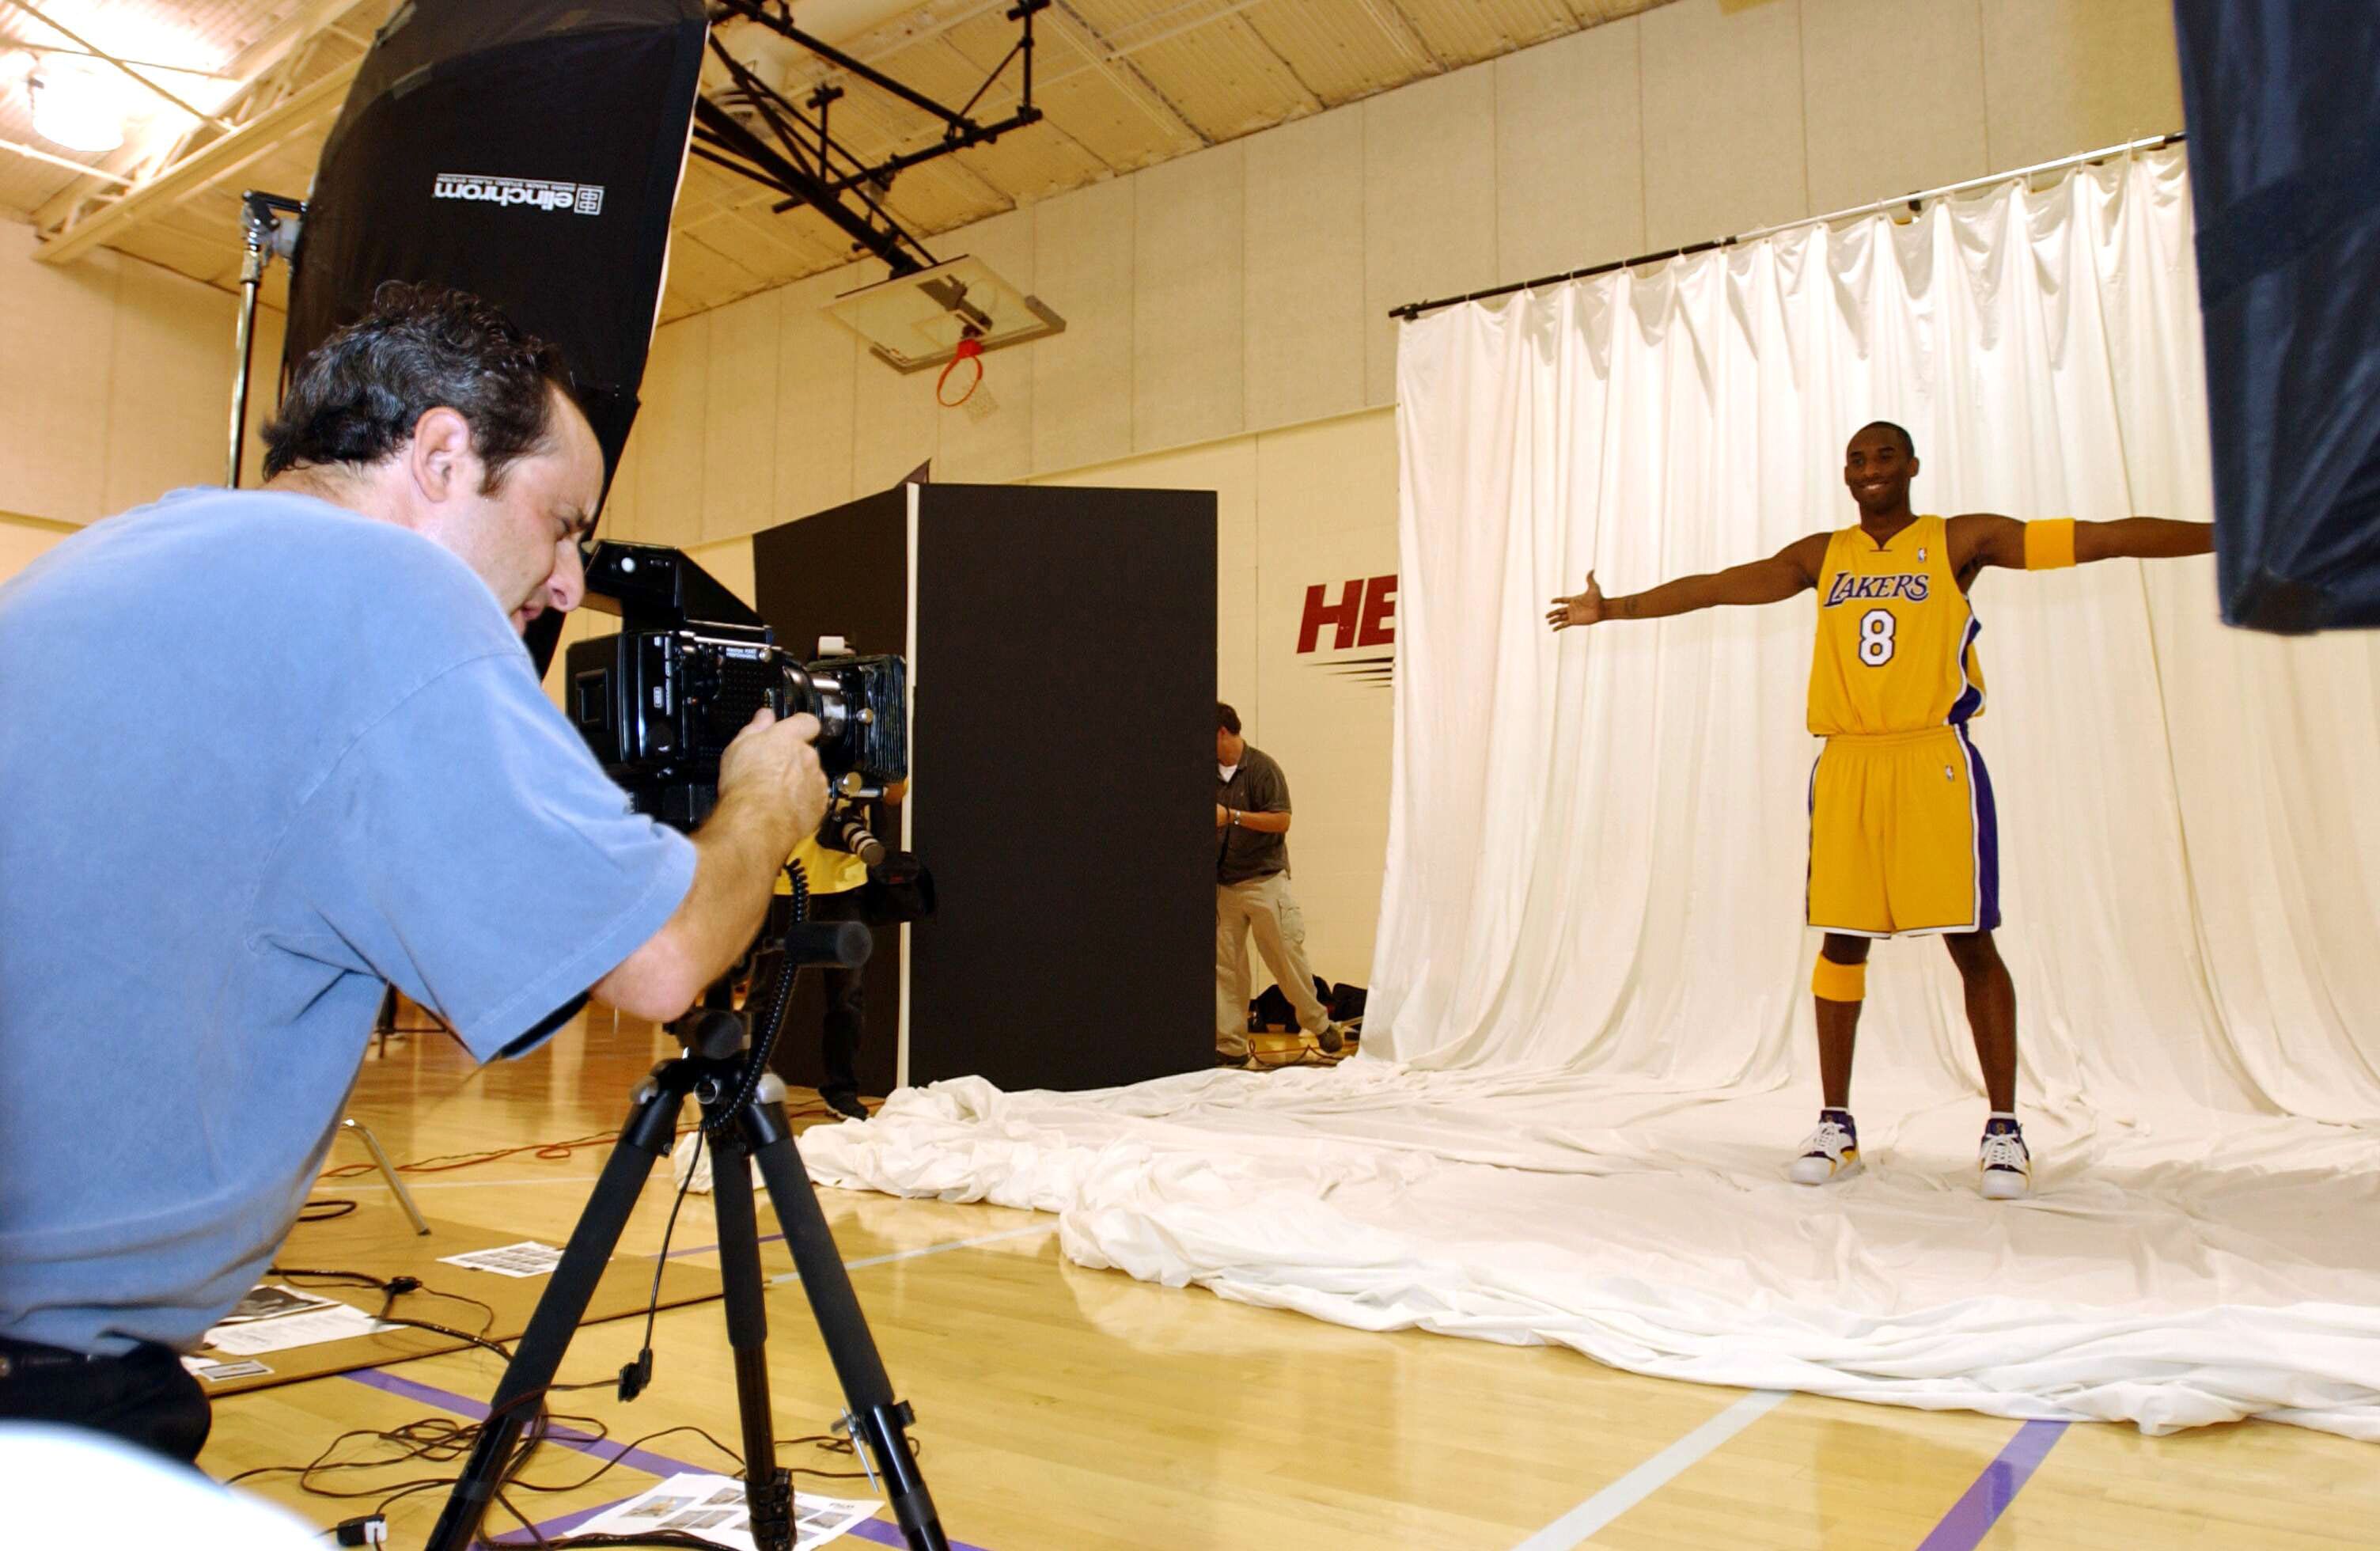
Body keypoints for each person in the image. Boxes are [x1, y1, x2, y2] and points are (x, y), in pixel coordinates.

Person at [0, 283, 828, 1462]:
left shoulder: (114, 556)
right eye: (563, 522)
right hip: (50, 1393)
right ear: (442, 455)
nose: (566, 581)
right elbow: (661, 961)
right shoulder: (393, 594)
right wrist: (761, 808)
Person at [1545, 421, 2211, 1198]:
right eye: (1856, 459)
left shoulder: (1960, 539)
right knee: (1840, 938)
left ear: (1911, 466)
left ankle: (2003, 1129)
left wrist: (2219, 535)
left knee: (1969, 939)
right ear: (1844, 473)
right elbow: (1720, 585)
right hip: (1848, 761)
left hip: (1931, 756)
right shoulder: (1821, 555)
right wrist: (1613, 607)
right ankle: (1835, 1122)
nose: (1868, 470)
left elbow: (2099, 539)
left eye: (1883, 456)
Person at [1215, 702, 1348, 1064]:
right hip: (1224, 885)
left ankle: (1319, 1024)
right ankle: (1230, 1047)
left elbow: (1282, 820)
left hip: (1265, 881)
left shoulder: (1262, 768)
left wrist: (1233, 816)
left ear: (1222, 732)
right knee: (1226, 969)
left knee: (1286, 959)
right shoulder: (1207, 773)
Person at [773, 780, 906, 1120]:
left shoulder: (864, 733)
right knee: (767, 994)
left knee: (847, 996)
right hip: (783, 879)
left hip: (845, 879)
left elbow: (895, 793)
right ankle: (748, 1086)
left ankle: (842, 1089)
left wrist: (885, 773)